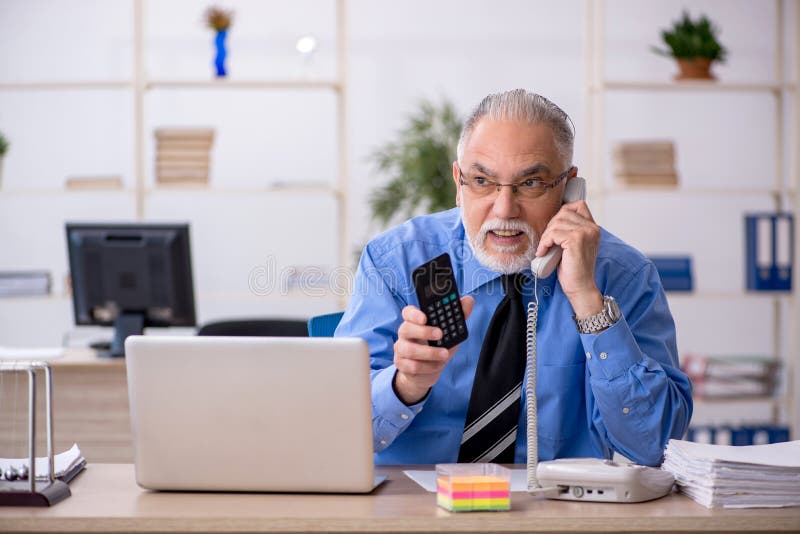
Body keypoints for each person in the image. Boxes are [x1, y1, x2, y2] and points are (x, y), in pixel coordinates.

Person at [335, 89, 692, 467]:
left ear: (570, 188)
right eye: (483, 181)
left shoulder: (622, 276)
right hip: (416, 515)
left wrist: (588, 301)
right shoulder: (399, 261)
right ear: (459, 183)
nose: (504, 209)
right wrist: (405, 385)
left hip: (560, 517)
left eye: (531, 183)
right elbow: (335, 430)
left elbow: (654, 446)